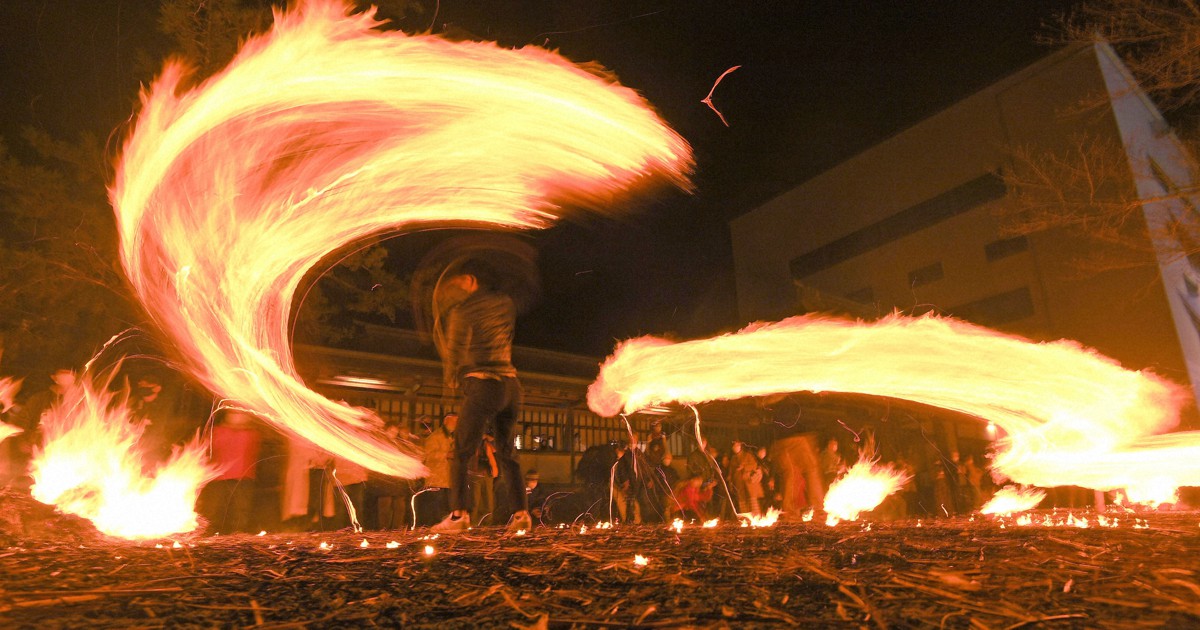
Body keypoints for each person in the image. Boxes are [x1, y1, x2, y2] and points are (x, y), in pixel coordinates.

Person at [432, 260, 531, 533]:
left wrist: (451, 375)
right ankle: (522, 515)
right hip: (511, 385)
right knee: (508, 451)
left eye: (457, 284)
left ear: (470, 279)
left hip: (484, 384)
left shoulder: (464, 310)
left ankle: (458, 516)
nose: (454, 291)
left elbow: (455, 348)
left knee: (461, 451)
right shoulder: (505, 303)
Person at [198, 410, 262, 534]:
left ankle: (236, 531)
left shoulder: (251, 433)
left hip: (242, 477)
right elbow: (209, 450)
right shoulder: (218, 431)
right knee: (217, 506)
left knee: (240, 508)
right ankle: (214, 530)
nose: (237, 418)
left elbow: (252, 454)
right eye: (234, 415)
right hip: (221, 477)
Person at [418, 412, 455, 526]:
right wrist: (446, 454)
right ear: (446, 422)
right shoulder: (435, 436)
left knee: (444, 507)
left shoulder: (453, 437)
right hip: (436, 479)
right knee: (435, 508)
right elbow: (427, 455)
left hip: (448, 479)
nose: (456, 424)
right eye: (454, 421)